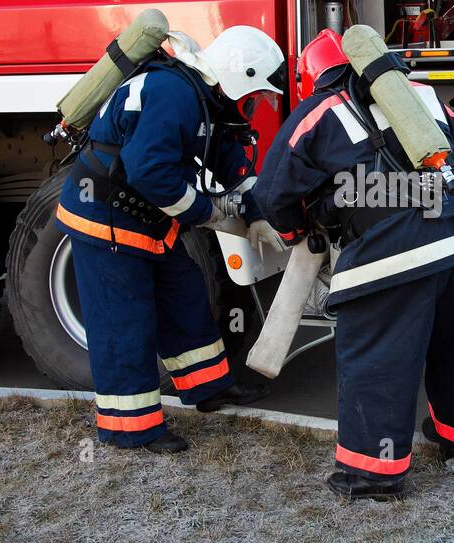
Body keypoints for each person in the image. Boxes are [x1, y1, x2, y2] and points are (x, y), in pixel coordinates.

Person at [252, 29, 454, 499]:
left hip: (392, 256)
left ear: (315, 77)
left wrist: (300, 229)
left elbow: (272, 192)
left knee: (377, 359)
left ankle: (372, 474)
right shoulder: (420, 95)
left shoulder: (322, 110)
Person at [56, 26, 288, 453]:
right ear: (240, 75)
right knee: (123, 324)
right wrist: (207, 212)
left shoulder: (205, 98)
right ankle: (130, 428)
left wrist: (254, 208)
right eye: (253, 95)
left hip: (147, 222)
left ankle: (207, 388)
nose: (252, 106)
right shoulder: (173, 93)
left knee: (185, 300)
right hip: (106, 221)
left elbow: (230, 159)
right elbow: (149, 173)